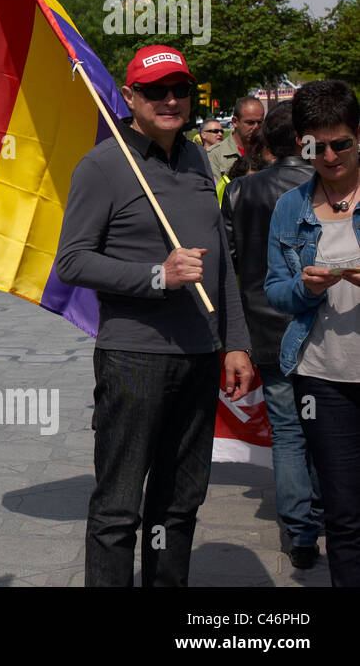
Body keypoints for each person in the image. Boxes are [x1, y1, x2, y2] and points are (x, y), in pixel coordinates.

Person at [55, 45, 253, 587]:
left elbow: (221, 263)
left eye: (179, 89)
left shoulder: (195, 159)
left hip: (199, 356)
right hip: (133, 358)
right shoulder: (102, 165)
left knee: (181, 502)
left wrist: (235, 342)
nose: (170, 100)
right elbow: (71, 261)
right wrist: (155, 275)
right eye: (155, 91)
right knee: (119, 507)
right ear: (129, 97)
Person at [265, 79, 360, 587]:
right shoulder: (290, 208)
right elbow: (274, 291)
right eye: (314, 146)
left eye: (339, 143)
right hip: (323, 378)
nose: (327, 156)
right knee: (344, 517)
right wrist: (306, 288)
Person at [222, 101, 322, 569]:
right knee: (329, 427)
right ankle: (319, 517)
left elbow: (229, 261)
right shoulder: (328, 184)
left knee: (287, 430)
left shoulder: (242, 190)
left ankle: (300, 532)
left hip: (263, 325)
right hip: (321, 324)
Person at [208, 96, 265, 180]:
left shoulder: (267, 151)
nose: (256, 127)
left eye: (260, 122)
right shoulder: (214, 155)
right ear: (235, 122)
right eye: (250, 123)